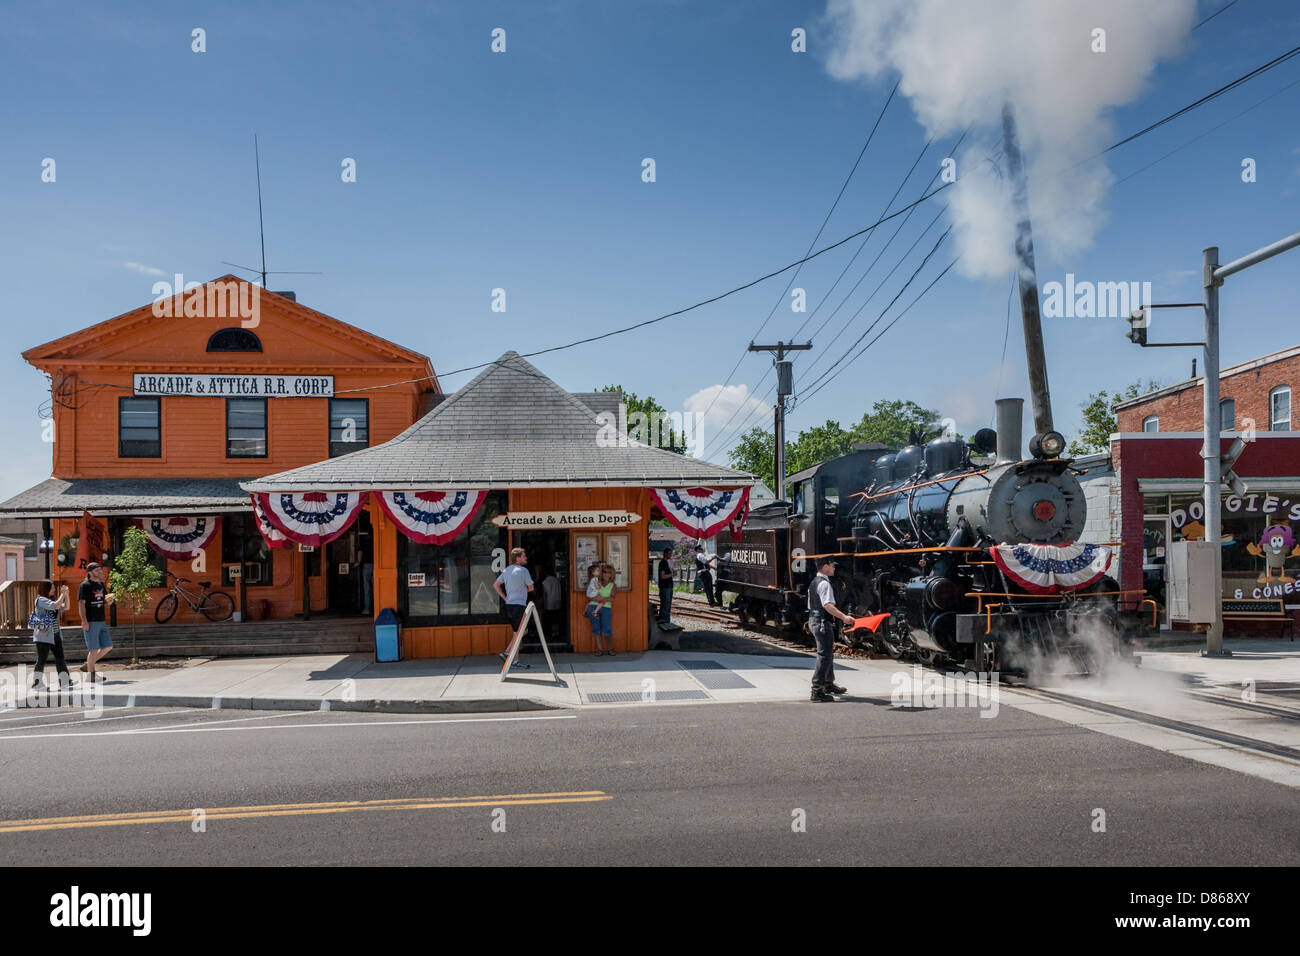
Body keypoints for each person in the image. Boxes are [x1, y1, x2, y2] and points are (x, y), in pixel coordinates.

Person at [807, 557, 851, 702]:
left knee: (827, 653)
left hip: (815, 619)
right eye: (832, 565)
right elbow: (827, 605)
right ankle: (817, 690)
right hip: (821, 622)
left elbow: (811, 605)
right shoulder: (825, 584)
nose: (834, 568)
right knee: (824, 655)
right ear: (825, 566)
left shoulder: (814, 582)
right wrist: (844, 617)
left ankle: (828, 683)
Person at [494, 547, 534, 663]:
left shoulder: (507, 570)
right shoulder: (523, 571)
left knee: (518, 632)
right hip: (519, 605)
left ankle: (514, 659)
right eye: (523, 556)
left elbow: (496, 585)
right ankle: (507, 652)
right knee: (521, 631)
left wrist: (505, 597)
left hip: (509, 605)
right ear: (517, 558)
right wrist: (522, 591)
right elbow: (531, 587)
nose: (526, 558)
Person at [77, 562, 115, 682]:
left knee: (108, 646)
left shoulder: (100, 584)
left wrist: (108, 602)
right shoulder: (84, 585)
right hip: (91, 621)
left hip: (101, 620)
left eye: (100, 570)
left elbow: (103, 600)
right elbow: (81, 604)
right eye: (97, 570)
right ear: (90, 572)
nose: (100, 572)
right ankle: (91, 676)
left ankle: (88, 665)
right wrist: (84, 621)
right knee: (93, 649)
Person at [30, 580, 72, 689]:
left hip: (56, 634)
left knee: (60, 658)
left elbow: (66, 607)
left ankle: (65, 682)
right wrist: (62, 594)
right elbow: (56, 605)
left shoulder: (51, 600)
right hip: (43, 636)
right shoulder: (40, 600)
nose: (54, 589)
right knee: (42, 660)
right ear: (46, 589)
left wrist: (66, 595)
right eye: (52, 587)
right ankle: (37, 684)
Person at [589, 563, 616, 656]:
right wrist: (598, 598)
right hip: (593, 606)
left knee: (607, 629)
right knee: (596, 628)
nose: (606, 574)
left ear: (612, 574)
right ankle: (599, 649)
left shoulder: (612, 585)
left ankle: (610, 648)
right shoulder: (596, 582)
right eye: (604, 572)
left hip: (606, 608)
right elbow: (590, 596)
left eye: (609, 572)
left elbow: (612, 598)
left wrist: (601, 599)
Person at [539, 565, 563, 642]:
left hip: (549, 603)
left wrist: (544, 604)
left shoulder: (545, 581)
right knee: (556, 618)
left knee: (549, 619)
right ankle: (556, 633)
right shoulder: (557, 580)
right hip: (558, 601)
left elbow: (544, 594)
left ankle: (548, 634)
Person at [656, 547, 675, 626]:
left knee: (668, 605)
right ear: (666, 554)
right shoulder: (663, 563)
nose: (671, 555)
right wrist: (672, 574)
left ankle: (667, 621)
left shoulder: (667, 563)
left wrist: (672, 571)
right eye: (670, 553)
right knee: (665, 605)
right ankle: (664, 622)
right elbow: (662, 576)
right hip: (665, 587)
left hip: (669, 586)